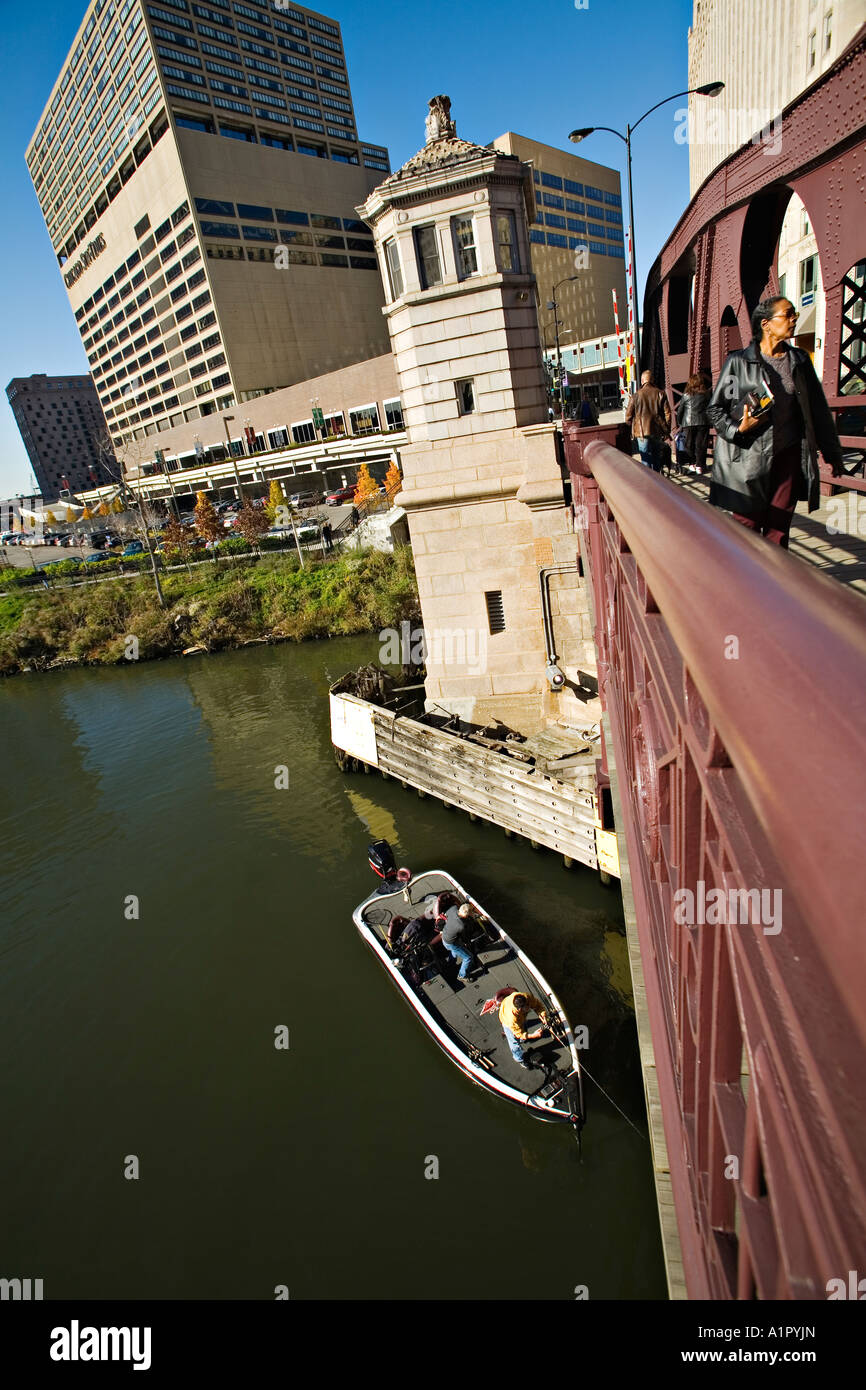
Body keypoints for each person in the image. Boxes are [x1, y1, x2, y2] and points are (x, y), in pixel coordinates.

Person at [706, 297, 843, 547]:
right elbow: (715, 410)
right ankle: (745, 583)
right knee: (745, 531)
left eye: (795, 314)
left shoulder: (799, 361)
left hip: (788, 458)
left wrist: (833, 454)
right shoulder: (739, 362)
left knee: (778, 531)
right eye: (788, 315)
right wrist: (737, 429)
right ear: (766, 324)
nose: (794, 319)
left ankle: (773, 583)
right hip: (749, 460)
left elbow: (818, 411)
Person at [625, 370, 672, 472]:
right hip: (656, 431)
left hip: (641, 433)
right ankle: (658, 481)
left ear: (642, 381)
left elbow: (628, 417)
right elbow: (668, 414)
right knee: (656, 459)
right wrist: (666, 430)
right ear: (652, 380)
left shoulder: (635, 396)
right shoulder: (660, 394)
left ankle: (649, 483)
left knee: (645, 459)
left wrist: (631, 428)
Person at [498, 990, 548, 1069]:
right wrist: (533, 1035)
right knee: (514, 1043)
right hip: (507, 1021)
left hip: (520, 1018)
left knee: (523, 1025)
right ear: (519, 1009)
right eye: (526, 1008)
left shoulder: (526, 997)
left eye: (528, 1005)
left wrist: (543, 1016)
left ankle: (523, 1039)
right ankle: (519, 1059)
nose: (529, 1008)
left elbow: (537, 1005)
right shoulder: (511, 1018)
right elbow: (518, 1033)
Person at [433, 902, 478, 983]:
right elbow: (465, 937)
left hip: (444, 937)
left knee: (455, 950)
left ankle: (451, 963)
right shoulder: (461, 925)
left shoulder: (453, 909)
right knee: (468, 958)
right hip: (451, 943)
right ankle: (462, 976)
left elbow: (446, 916)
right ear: (466, 915)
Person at [675, 372, 711, 473]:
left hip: (688, 423)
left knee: (689, 445)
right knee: (701, 445)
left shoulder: (686, 395)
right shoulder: (706, 394)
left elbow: (680, 410)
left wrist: (680, 423)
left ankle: (692, 464)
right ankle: (700, 466)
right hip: (703, 422)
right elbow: (710, 408)